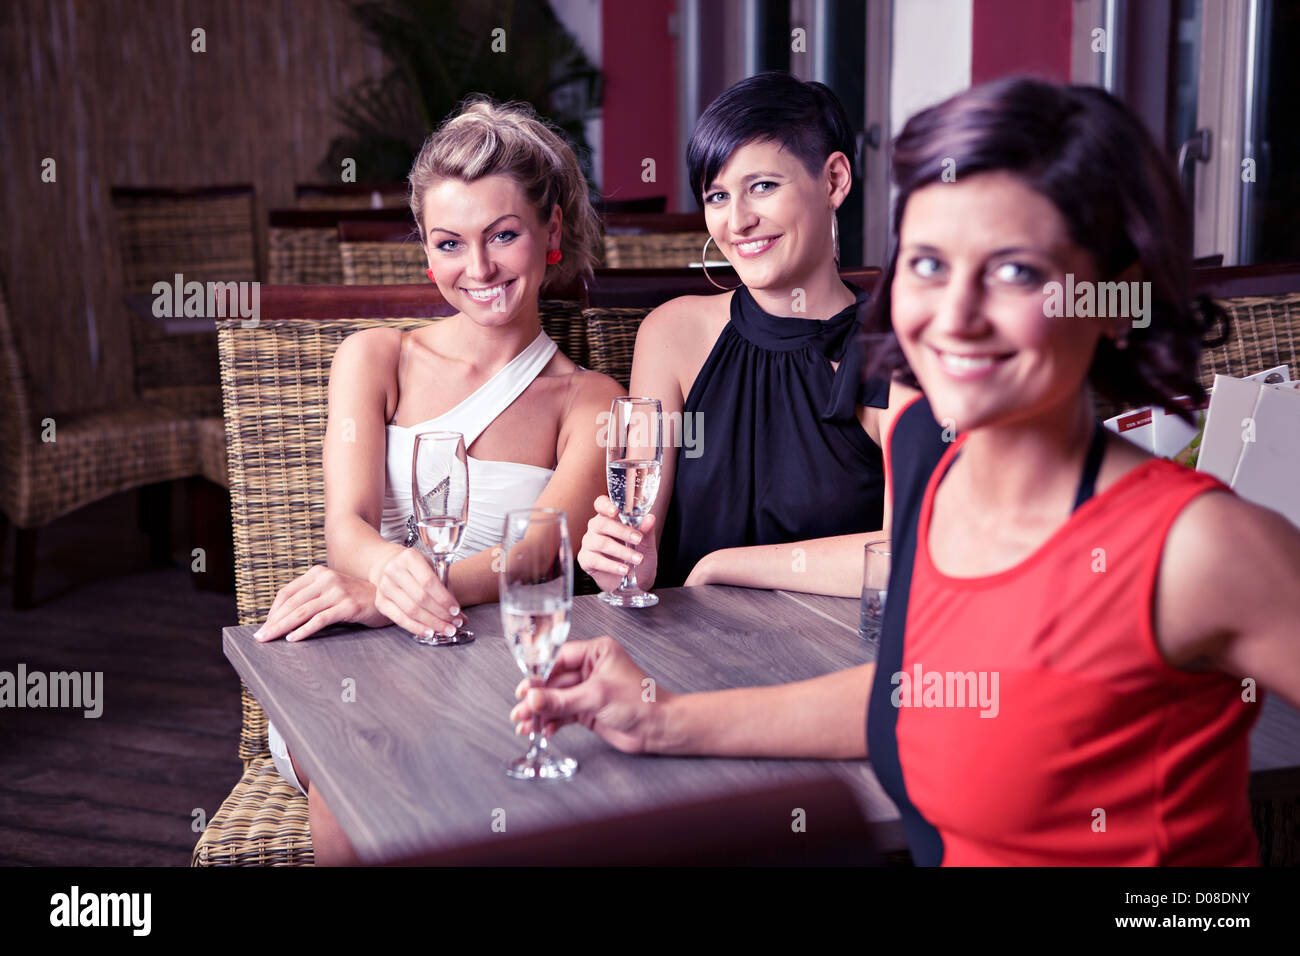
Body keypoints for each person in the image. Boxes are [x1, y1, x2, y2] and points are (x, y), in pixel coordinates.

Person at [513, 77, 1300, 865]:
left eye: (1016, 271)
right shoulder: (928, 452)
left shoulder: (1201, 545)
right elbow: (922, 693)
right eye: (927, 263)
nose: (953, 315)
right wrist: (663, 718)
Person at [253, 98, 622, 863]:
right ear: (426, 249)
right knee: (356, 757)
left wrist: (384, 593)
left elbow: (540, 559)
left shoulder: (592, 401)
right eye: (450, 243)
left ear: (552, 232)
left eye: (504, 235)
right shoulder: (375, 357)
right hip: (358, 667)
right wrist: (387, 580)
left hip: (501, 668)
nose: (478, 270)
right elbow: (346, 527)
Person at [577, 71, 919, 594]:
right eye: (717, 196)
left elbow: (909, 556)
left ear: (834, 181)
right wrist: (625, 565)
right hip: (682, 657)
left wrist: (721, 566)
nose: (737, 222)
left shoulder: (899, 350)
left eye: (762, 187)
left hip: (836, 663)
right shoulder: (669, 334)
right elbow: (636, 548)